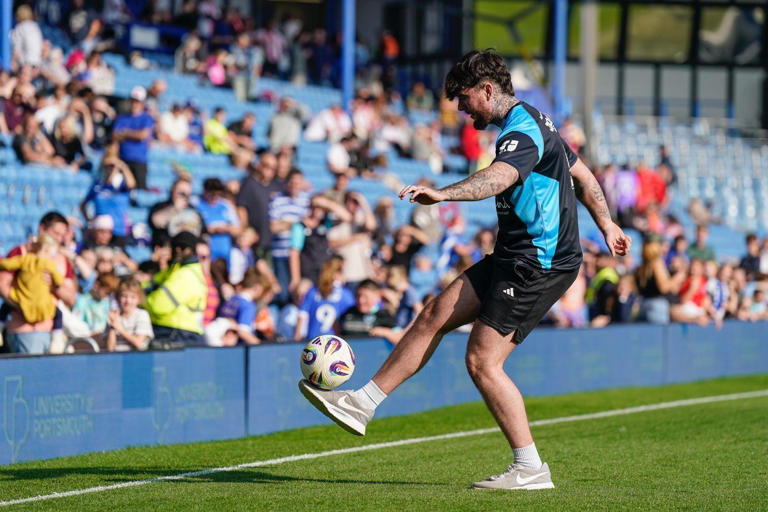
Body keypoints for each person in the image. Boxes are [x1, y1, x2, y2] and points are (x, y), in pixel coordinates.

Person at [298, 49, 631, 491]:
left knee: (481, 360)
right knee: (435, 313)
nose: (460, 108)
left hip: (539, 262)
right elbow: (584, 176)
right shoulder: (537, 122)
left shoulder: (522, 132)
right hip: (514, 254)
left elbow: (498, 178)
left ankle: (530, 467)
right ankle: (362, 404)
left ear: (487, 90)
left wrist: (443, 194)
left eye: (464, 98)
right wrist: (606, 224)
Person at [145, 232, 208, 345]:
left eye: (182, 248)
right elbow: (149, 284)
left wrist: (140, 300)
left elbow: (159, 305)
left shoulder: (186, 275)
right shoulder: (177, 270)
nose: (177, 251)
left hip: (177, 334)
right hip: (178, 333)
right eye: (175, 247)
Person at [295, 256, 354, 341]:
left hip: (313, 341)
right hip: (334, 342)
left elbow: (302, 317)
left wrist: (297, 339)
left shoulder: (312, 292)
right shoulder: (345, 294)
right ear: (337, 273)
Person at [112, 86, 154, 189]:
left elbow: (143, 135)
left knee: (139, 190)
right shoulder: (122, 118)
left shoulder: (146, 118)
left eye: (138, 101)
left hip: (139, 161)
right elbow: (115, 135)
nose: (135, 104)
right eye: (133, 101)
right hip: (122, 160)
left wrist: (125, 133)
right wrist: (134, 134)